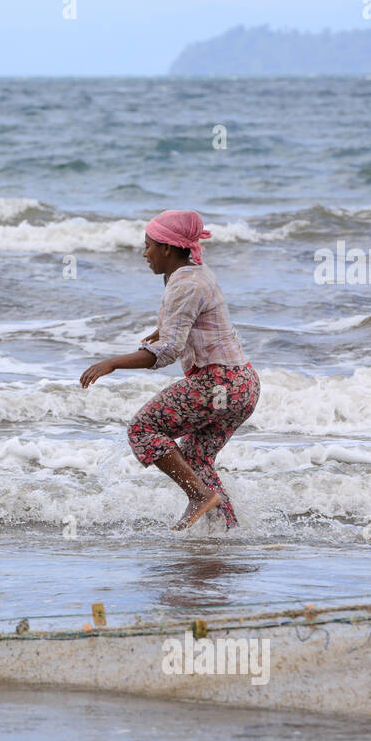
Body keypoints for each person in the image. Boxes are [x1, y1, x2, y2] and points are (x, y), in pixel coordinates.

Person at [79, 209, 259, 531]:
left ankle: (199, 497)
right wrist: (163, 330)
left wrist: (113, 363)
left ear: (167, 248)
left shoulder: (184, 283)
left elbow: (170, 352)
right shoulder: (197, 274)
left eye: (148, 245)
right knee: (195, 459)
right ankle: (227, 533)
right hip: (242, 384)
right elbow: (195, 320)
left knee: (142, 430)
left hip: (218, 383)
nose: (144, 253)